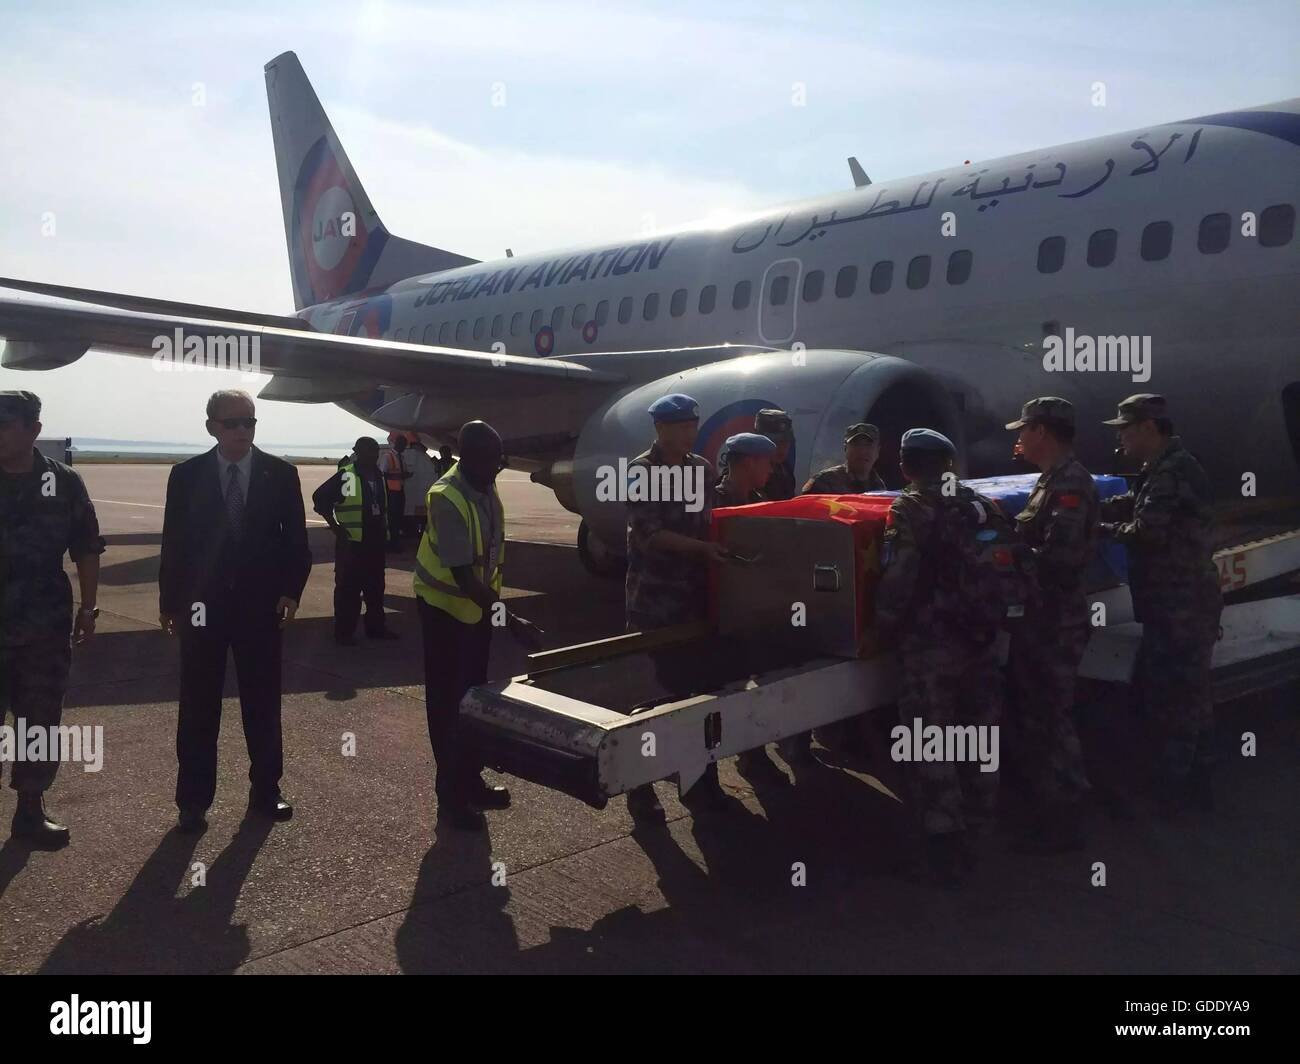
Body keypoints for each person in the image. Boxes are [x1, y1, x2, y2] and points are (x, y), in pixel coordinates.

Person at [160, 389, 311, 833]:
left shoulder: (280, 474)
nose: (243, 430)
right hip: (202, 608)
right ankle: (192, 801)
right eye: (233, 423)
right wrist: (170, 601)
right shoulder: (185, 476)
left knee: (262, 703)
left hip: (260, 608)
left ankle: (266, 790)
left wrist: (291, 591)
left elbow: (296, 542)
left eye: (250, 422)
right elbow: (175, 543)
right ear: (212, 427)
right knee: (199, 705)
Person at [874, 428, 1008, 886]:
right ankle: (983, 826)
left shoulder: (909, 507)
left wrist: (885, 623)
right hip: (981, 634)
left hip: (931, 641)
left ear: (906, 466)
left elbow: (900, 574)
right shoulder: (978, 502)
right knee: (978, 729)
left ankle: (944, 843)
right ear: (948, 464)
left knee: (932, 737)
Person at [413, 420, 542, 830]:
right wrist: (512, 620)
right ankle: (450, 795)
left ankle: (470, 780)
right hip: (445, 613)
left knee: (472, 703)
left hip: (475, 614)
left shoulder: (484, 483)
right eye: (492, 462)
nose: (498, 469)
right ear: (467, 458)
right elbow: (465, 579)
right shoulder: (446, 498)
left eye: (500, 461)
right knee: (447, 706)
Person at [1098, 394, 1222, 813]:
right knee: (1193, 694)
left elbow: (1146, 531)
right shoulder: (1166, 467)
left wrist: (1100, 529)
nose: (1121, 439)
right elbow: (1137, 503)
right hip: (1183, 599)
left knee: (1175, 697)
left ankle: (1173, 792)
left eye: (1125, 429)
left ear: (1149, 429)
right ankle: (1199, 783)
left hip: (1179, 602)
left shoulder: (1170, 472)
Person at [0, 391, 103, 847]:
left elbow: (85, 546)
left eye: (6, 424)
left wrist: (88, 606)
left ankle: (29, 811)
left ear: (33, 430)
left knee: (38, 720)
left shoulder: (63, 482)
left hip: (43, 622)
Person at [624, 393, 730, 822]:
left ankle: (700, 781)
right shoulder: (640, 472)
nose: (691, 432)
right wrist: (704, 550)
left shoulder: (701, 470)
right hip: (654, 601)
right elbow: (648, 534)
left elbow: (712, 519)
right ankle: (638, 784)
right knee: (654, 697)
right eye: (682, 426)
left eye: (693, 425)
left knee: (697, 692)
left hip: (694, 600)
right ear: (660, 429)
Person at [1004, 397, 1097, 852]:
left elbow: (1058, 557)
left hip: (1055, 620)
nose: (1019, 437)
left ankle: (1066, 819)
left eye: (1025, 429)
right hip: (1042, 617)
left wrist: (1005, 555)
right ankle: (1049, 810)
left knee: (1051, 718)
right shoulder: (1050, 481)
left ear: (1043, 432)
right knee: (1038, 715)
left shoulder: (1069, 484)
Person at [313, 437, 397, 645]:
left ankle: (376, 628)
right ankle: (344, 633)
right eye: (369, 451)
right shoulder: (349, 477)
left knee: (376, 588)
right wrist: (335, 527)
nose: (374, 455)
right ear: (358, 452)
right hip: (353, 543)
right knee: (348, 590)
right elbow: (322, 499)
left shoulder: (378, 475)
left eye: (376, 451)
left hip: (374, 542)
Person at [803, 423, 887, 493]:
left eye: (868, 445)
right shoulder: (824, 482)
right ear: (845, 448)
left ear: (877, 451)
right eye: (856, 444)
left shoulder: (878, 486)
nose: (862, 450)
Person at [754, 408, 797, 501]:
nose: (782, 447)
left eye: (786, 441)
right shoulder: (748, 472)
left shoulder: (785, 471)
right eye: (776, 442)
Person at [382, 434, 411, 549]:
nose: (404, 447)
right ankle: (392, 542)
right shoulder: (387, 456)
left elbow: (401, 472)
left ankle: (395, 540)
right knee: (392, 517)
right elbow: (382, 473)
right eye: (403, 445)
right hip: (391, 491)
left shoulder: (401, 457)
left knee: (398, 516)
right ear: (397, 444)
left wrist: (406, 475)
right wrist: (398, 475)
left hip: (400, 490)